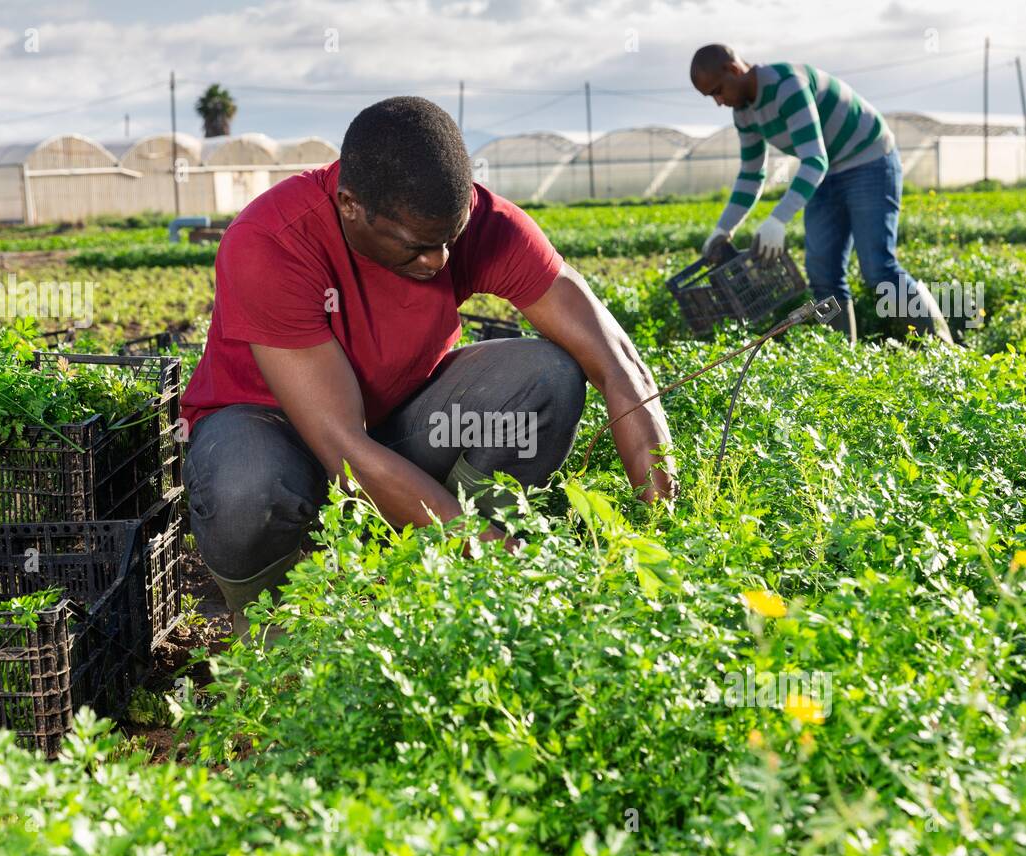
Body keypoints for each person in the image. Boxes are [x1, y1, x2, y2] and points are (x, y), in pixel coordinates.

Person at [180, 96, 677, 635]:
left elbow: (618, 363)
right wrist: (488, 551)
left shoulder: (484, 224)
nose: (438, 261)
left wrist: (659, 529)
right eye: (417, 246)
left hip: (394, 422)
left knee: (546, 376)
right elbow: (343, 451)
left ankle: (440, 579)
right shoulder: (272, 241)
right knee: (247, 487)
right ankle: (269, 623)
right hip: (269, 430)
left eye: (450, 238)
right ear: (350, 205)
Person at [689, 44, 953, 344]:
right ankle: (842, 356)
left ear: (734, 70)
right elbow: (751, 175)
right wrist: (723, 229)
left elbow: (814, 160)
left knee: (878, 270)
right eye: (711, 96)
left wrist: (778, 220)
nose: (719, 102)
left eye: (717, 91)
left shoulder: (786, 85)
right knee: (823, 274)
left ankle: (942, 346)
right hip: (826, 174)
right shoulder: (744, 114)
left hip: (868, 160)